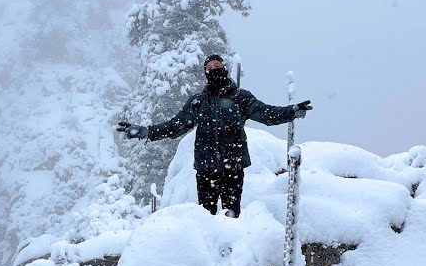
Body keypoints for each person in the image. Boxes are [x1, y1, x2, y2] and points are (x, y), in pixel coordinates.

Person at [117, 54, 312, 217]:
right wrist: (143, 132)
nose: (214, 69)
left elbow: (266, 114)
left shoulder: (240, 98)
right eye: (210, 67)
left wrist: (291, 111)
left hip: (233, 166)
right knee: (206, 216)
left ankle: (232, 256)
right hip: (206, 168)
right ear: (206, 73)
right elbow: (174, 127)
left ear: (225, 69)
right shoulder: (198, 102)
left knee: (232, 215)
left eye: (217, 66)